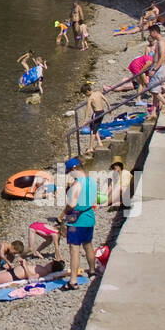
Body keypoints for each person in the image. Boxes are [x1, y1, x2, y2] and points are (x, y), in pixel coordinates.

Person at [62, 159, 98, 290]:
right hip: (89, 217)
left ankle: (73, 281)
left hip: (76, 221)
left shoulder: (77, 184)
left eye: (69, 172)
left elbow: (71, 205)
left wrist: (64, 215)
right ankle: (92, 271)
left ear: (74, 169)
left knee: (74, 249)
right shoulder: (92, 181)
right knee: (88, 245)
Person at [83, 85, 111, 153]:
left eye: (85, 94)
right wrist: (109, 108)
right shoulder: (98, 93)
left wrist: (85, 120)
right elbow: (106, 100)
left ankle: (90, 148)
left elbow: (88, 109)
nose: (85, 95)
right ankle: (99, 142)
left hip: (96, 113)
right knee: (95, 126)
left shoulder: (90, 98)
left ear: (87, 91)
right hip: (102, 112)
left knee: (93, 131)